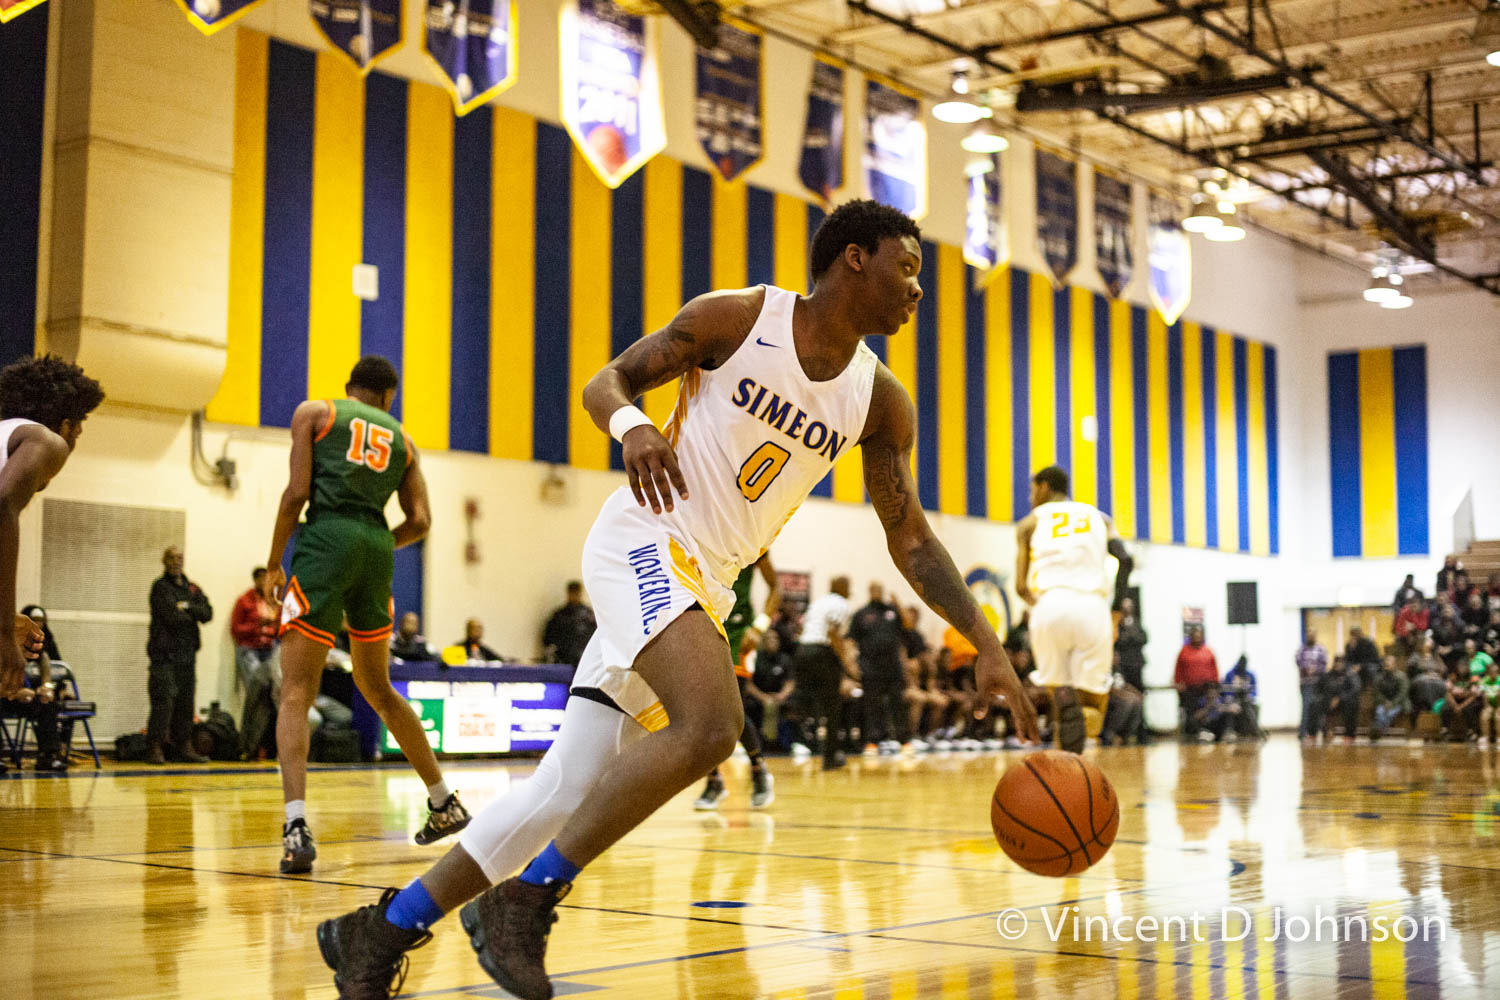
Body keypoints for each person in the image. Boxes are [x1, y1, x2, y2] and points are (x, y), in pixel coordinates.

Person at [315, 199, 1039, 1000]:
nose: (918, 291)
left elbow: (909, 538)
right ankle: (524, 899)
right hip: (643, 544)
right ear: (854, 259)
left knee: (564, 786)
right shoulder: (738, 318)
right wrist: (633, 427)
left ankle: (377, 932)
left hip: (706, 585)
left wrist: (991, 646)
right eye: (908, 269)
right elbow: (607, 380)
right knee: (714, 725)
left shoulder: (879, 401)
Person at [265, 356, 469, 875]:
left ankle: (296, 826)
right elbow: (420, 521)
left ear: (350, 387)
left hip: (326, 538)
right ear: (389, 396)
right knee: (378, 687)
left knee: (295, 690)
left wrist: (274, 562)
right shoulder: (404, 440)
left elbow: (297, 494)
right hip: (377, 550)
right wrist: (377, 544)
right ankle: (443, 799)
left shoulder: (315, 413)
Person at [0, 356, 101, 697]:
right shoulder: (47, 441)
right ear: (67, 424)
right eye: (79, 428)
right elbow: (2, 506)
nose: (78, 438)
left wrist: (7, 619)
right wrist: (3, 634)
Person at [1014, 465, 1132, 754]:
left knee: (1061, 698)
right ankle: (1082, 774)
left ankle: (1062, 773)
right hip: (1092, 608)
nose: (1031, 498)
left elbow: (1020, 587)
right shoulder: (1101, 519)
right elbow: (1125, 561)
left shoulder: (1029, 523)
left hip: (1050, 606)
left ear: (1044, 487)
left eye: (1032, 490)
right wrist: (1115, 613)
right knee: (1090, 705)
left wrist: (1041, 605)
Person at [694, 552, 781, 811]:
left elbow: (776, 588)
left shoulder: (754, 541)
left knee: (733, 711)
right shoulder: (698, 535)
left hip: (740, 630)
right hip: (706, 623)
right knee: (703, 712)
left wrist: (760, 627)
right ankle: (714, 780)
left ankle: (759, 770)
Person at [146, 546, 213, 764]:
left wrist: (186, 607)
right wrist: (191, 612)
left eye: (180, 558)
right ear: (164, 561)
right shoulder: (160, 587)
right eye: (172, 558)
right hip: (164, 656)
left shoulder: (192, 588)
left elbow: (207, 613)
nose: (176, 562)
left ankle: (184, 745)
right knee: (163, 703)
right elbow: (171, 617)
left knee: (186, 703)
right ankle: (155, 746)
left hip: (187, 656)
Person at [793, 576, 856, 769]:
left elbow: (804, 627)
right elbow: (832, 633)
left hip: (802, 650)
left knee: (804, 700)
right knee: (832, 705)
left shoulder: (818, 602)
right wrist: (847, 665)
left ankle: (801, 742)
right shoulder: (841, 604)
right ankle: (830, 757)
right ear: (843, 587)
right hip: (822, 652)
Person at [849, 581, 907, 752]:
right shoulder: (861, 614)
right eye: (874, 589)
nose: (877, 592)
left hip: (893, 667)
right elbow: (851, 639)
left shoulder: (892, 611)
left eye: (880, 590)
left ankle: (903, 739)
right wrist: (853, 665)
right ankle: (873, 740)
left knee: (898, 702)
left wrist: (898, 604)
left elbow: (908, 626)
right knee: (872, 705)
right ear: (869, 591)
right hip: (870, 667)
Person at [230, 567, 281, 759]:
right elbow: (236, 630)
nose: (264, 583)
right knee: (255, 693)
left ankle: (263, 745)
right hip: (249, 650)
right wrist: (256, 626)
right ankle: (247, 744)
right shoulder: (244, 601)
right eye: (261, 579)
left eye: (267, 579)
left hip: (269, 651)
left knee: (269, 696)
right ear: (255, 580)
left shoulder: (273, 601)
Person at [1113, 598, 1149, 744]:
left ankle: (1141, 734)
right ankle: (1123, 734)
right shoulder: (1118, 624)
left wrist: (1131, 634)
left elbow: (1144, 638)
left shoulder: (1137, 622)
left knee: (1140, 697)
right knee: (1127, 697)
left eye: (1130, 606)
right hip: (1124, 667)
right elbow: (1118, 641)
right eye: (1125, 607)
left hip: (1137, 666)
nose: (1128, 609)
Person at [1174, 625, 1220, 737]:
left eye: (1199, 635)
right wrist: (1179, 683)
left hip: (1206, 687)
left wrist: (1214, 685)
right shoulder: (1184, 652)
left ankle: (1208, 729)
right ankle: (1192, 731)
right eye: (1195, 635)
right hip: (1189, 688)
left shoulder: (1208, 651)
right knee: (1190, 707)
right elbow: (1178, 670)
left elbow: (1214, 670)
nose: (1197, 637)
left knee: (1212, 703)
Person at [540, 582, 596, 669]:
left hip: (583, 658)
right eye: (572, 593)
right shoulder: (560, 615)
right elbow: (548, 637)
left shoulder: (589, 616)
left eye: (576, 593)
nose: (574, 596)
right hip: (563, 659)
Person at [1295, 630, 1329, 745]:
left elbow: (1324, 664)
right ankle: (1303, 732)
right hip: (1305, 683)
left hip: (1318, 683)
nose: (1310, 637)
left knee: (1318, 708)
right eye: (1308, 635)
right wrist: (1306, 669)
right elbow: (1298, 662)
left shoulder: (1320, 649)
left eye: (1312, 635)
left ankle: (1319, 731)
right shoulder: (1301, 649)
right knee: (1306, 707)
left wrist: (1316, 670)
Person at [1369, 655, 1410, 742]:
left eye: (1389, 663)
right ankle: (1378, 730)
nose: (1387, 665)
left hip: (1399, 703)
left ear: (1394, 665)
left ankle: (1378, 730)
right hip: (1383, 702)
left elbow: (1402, 693)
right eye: (1386, 664)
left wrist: (1392, 703)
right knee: (1380, 711)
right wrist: (1385, 701)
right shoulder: (1379, 677)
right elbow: (1377, 692)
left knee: (1390, 713)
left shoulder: (1401, 676)